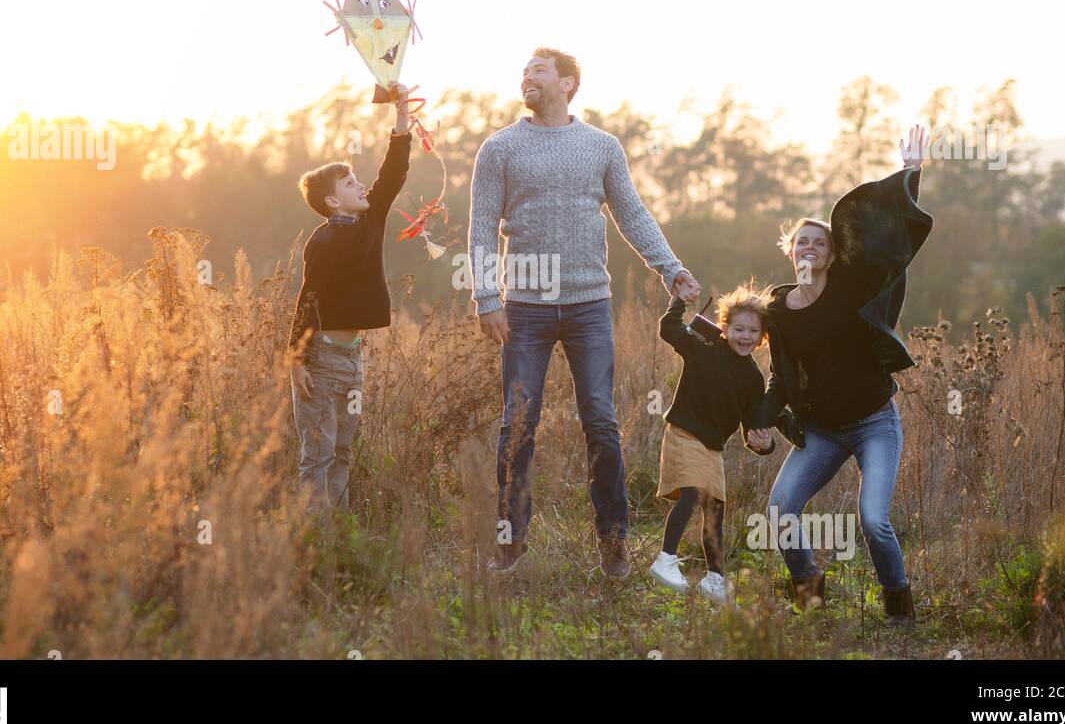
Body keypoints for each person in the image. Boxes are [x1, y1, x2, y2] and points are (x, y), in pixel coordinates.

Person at [468, 47, 701, 577]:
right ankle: (510, 542)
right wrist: (485, 298)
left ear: (568, 83)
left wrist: (671, 269)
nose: (527, 76)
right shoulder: (499, 148)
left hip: (589, 305)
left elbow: (631, 212)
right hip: (523, 308)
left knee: (601, 419)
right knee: (518, 424)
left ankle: (613, 542)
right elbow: (481, 225)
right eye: (524, 71)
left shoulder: (601, 146)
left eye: (539, 70)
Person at [753, 125, 932, 628]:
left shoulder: (851, 285)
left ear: (831, 255)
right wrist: (760, 422)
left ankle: (898, 605)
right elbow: (779, 382)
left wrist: (911, 174)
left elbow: (893, 240)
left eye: (819, 243)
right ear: (791, 251)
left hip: (875, 421)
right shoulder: (779, 311)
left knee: (873, 520)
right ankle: (808, 593)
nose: (809, 248)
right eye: (800, 242)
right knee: (781, 512)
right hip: (822, 431)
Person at [288, 86, 411, 512]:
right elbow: (308, 299)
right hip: (320, 360)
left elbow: (391, 174)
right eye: (350, 183)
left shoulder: (371, 218)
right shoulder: (322, 242)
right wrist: (297, 360)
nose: (362, 187)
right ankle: (313, 539)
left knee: (342, 451)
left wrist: (401, 120)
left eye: (359, 181)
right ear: (331, 200)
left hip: (352, 357)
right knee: (317, 455)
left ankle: (338, 535)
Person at [650, 285, 777, 604]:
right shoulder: (703, 345)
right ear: (724, 327)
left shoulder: (753, 378)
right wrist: (678, 302)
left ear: (763, 336)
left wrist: (764, 444)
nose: (745, 336)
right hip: (684, 432)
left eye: (753, 331)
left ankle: (715, 578)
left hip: (713, 447)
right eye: (738, 329)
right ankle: (665, 559)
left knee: (715, 510)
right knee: (692, 495)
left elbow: (751, 428)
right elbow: (669, 330)